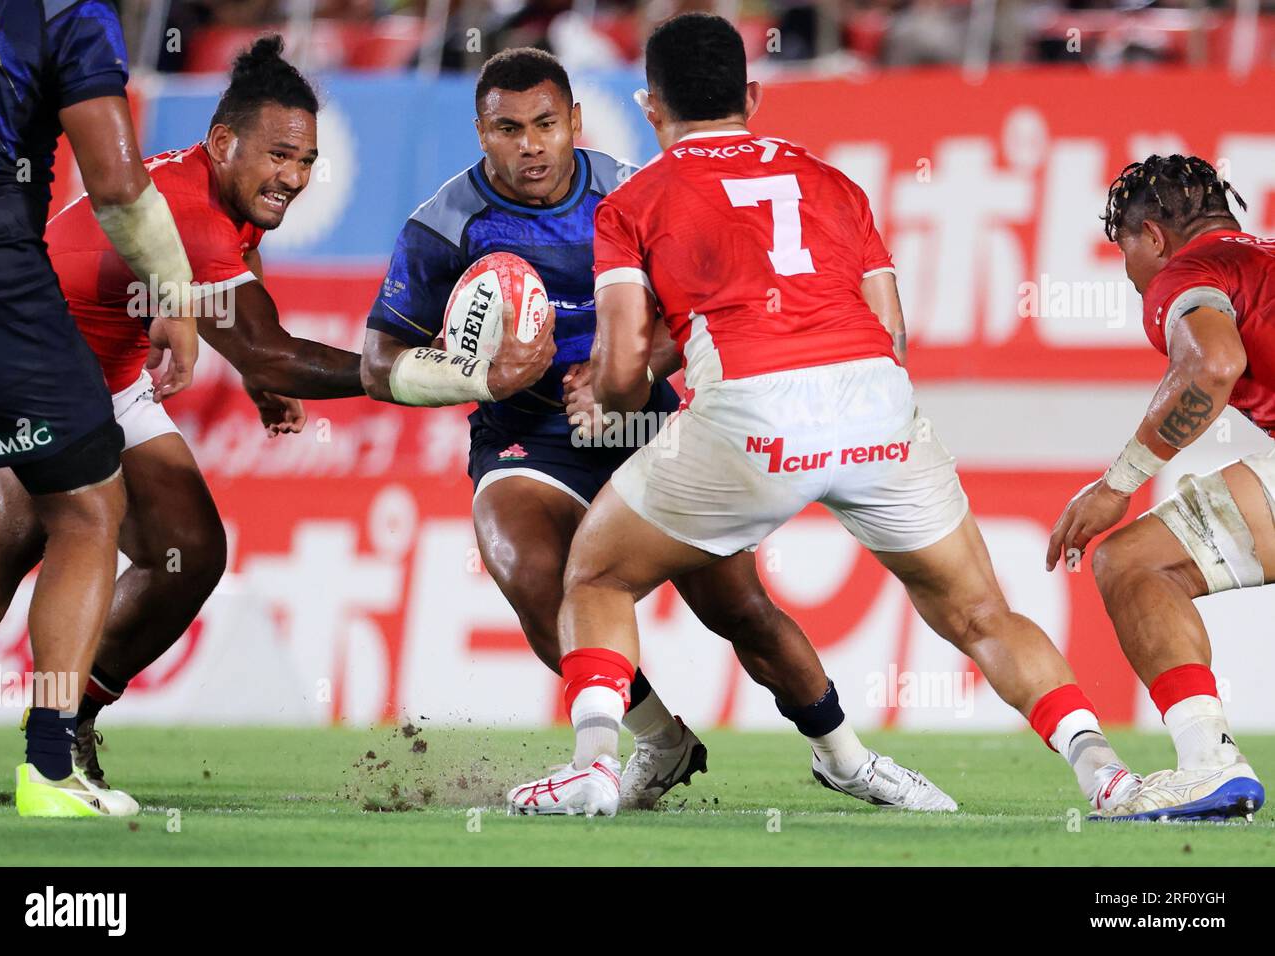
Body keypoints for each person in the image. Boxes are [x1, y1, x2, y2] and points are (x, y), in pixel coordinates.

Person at [507, 13, 1139, 818]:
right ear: (752, 96)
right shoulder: (834, 183)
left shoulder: (633, 202)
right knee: (983, 614)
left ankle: (594, 765)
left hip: (753, 412)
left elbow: (626, 373)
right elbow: (893, 332)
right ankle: (1107, 774)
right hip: (877, 405)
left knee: (597, 574)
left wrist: (605, 394)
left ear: (649, 105)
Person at [361, 47, 954, 813]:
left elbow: (707, 307)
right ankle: (655, 743)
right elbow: (379, 363)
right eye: (508, 129)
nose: (531, 145)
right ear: (482, 133)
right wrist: (479, 377)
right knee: (534, 576)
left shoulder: (635, 191)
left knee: (738, 608)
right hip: (525, 437)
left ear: (575, 120)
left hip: (643, 423)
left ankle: (846, 759)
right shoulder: (443, 225)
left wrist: (626, 370)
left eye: (546, 124)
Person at [0, 37, 365, 797]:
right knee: (22, 526)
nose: (294, 177)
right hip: (15, 362)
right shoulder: (188, 207)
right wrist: (413, 373)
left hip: (106, 381)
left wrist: (250, 365)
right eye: (280, 155)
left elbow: (241, 272)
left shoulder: (228, 191)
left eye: (307, 161)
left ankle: (66, 725)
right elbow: (272, 351)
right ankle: (49, 751)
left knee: (188, 549)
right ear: (222, 143)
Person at [0, 0, 200, 817]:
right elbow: (115, 180)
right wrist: (175, 294)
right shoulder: (71, 10)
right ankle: (48, 766)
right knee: (85, 504)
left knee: (19, 522)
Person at [1048, 154, 1267, 821]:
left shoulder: (1190, 271)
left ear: (1152, 236)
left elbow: (1214, 364)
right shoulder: (1260, 261)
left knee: (1132, 562)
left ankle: (1208, 763)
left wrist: (1119, 484)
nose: (1131, 276)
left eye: (1126, 254)